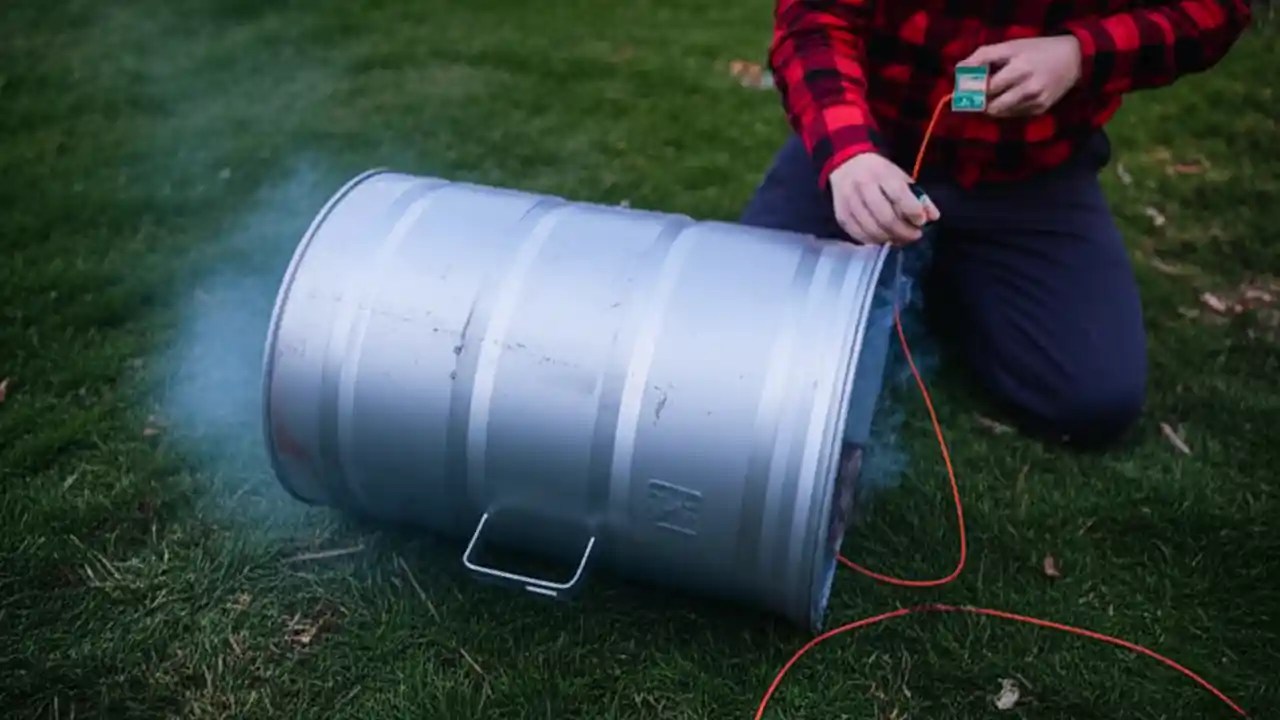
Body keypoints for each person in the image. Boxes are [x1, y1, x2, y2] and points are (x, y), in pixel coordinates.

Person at [741, 0, 1252, 449]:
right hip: (872, 148)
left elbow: (1214, 12)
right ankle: (932, 266)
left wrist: (1079, 54)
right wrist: (847, 154)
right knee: (741, 340)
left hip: (1029, 173)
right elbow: (814, 18)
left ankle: (949, 278)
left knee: (1092, 399)